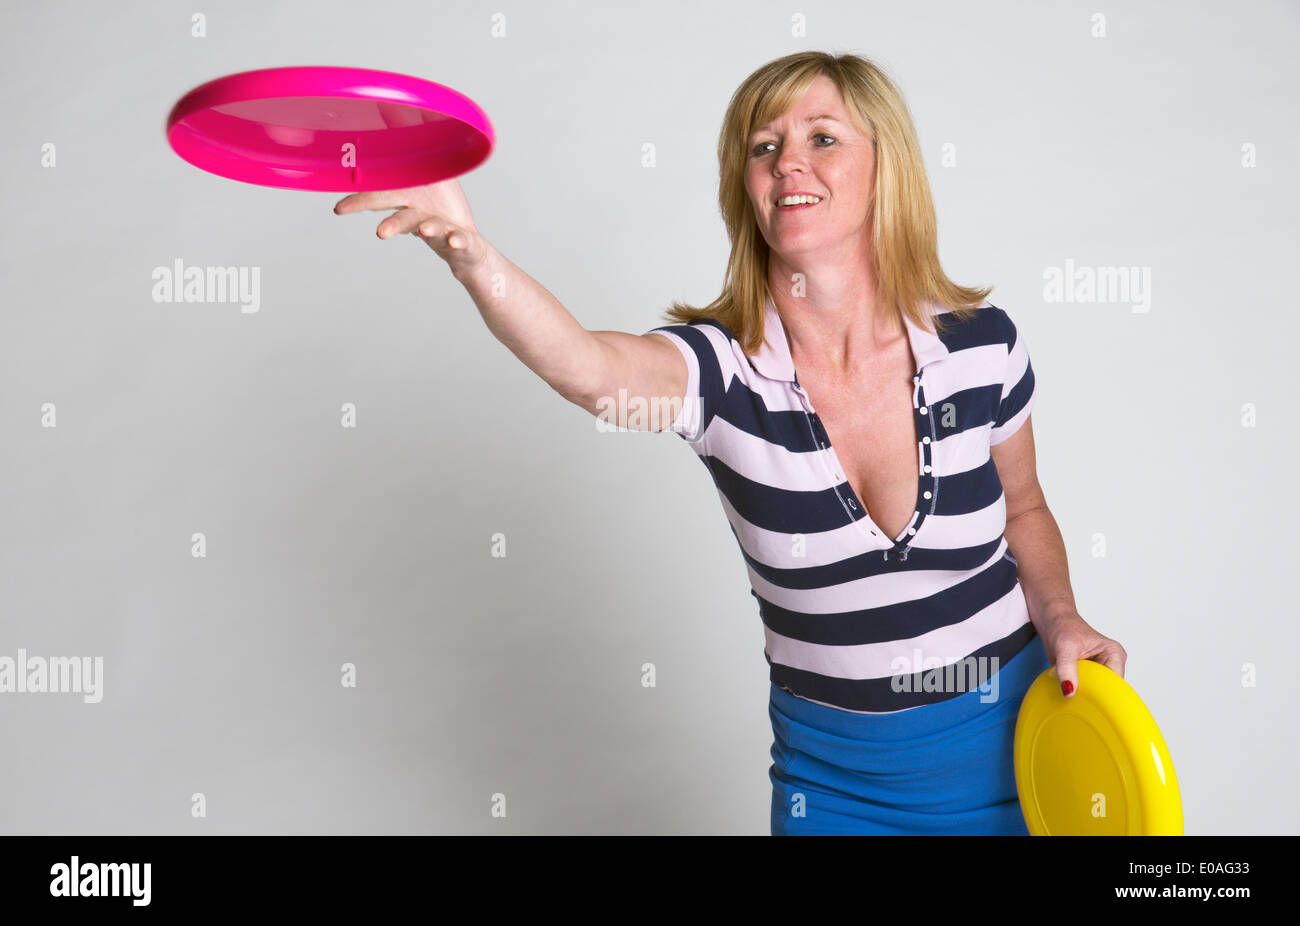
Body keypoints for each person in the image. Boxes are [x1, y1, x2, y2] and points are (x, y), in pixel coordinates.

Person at [333, 50, 1128, 836]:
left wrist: (1062, 618)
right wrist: (472, 256)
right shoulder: (719, 374)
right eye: (764, 146)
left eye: (822, 138)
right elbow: (584, 366)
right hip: (837, 792)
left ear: (887, 167)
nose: (789, 164)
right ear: (744, 186)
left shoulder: (983, 347)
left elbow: (1024, 508)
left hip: (1023, 759)